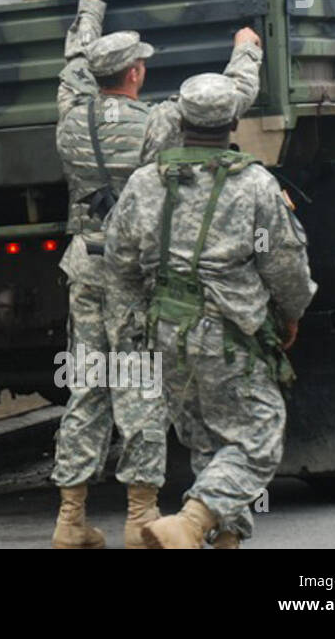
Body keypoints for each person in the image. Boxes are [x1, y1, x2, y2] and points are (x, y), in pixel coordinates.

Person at [49, 0, 264, 549]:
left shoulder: (69, 111)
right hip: (136, 272)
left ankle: (69, 520)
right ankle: (140, 516)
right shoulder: (160, 120)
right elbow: (226, 102)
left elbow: (76, 56)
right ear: (138, 73)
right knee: (140, 382)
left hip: (83, 264)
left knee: (87, 381)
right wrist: (245, 49)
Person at [105, 73, 316, 549]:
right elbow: (285, 266)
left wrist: (134, 326)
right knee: (257, 437)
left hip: (166, 331)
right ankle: (191, 521)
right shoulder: (256, 184)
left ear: (179, 119)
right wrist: (291, 312)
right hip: (230, 334)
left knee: (209, 444)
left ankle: (224, 541)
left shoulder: (143, 182)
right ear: (234, 121)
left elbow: (118, 262)